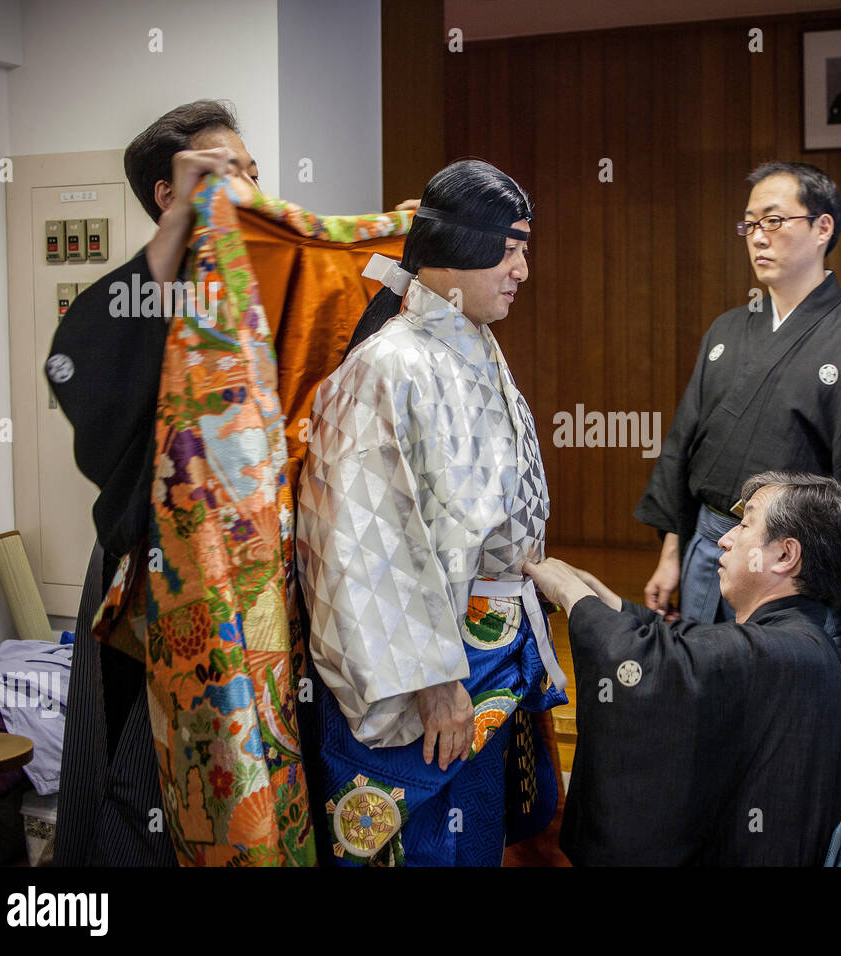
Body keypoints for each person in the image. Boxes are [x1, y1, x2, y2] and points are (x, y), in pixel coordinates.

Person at [635, 161, 841, 865]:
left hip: (809, 560)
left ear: (823, 228)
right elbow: (684, 443)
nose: (758, 236)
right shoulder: (728, 331)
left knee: (834, 717)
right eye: (750, 223)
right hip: (717, 542)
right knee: (709, 702)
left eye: (775, 220)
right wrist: (672, 549)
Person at [296, 160, 567, 867]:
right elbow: (359, 544)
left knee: (473, 840)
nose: (522, 270)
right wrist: (433, 679)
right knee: (420, 851)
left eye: (524, 250)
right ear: (457, 254)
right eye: (510, 249)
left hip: (484, 651)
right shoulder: (385, 367)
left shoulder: (472, 341)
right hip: (425, 672)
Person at [50, 100, 263, 866]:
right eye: (221, 172)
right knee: (136, 778)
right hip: (148, 582)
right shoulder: (132, 301)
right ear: (168, 193)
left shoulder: (248, 293)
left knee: (237, 777)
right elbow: (86, 384)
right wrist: (171, 244)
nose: (246, 185)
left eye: (251, 170)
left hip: (248, 585)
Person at [530, 472, 841, 866]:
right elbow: (685, 642)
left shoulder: (782, 650)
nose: (724, 537)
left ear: (785, 555)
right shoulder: (802, 641)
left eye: (745, 524)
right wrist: (599, 595)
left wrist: (572, 595)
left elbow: (651, 664)